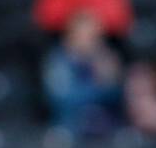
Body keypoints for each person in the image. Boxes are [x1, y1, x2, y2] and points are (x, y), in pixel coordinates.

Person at [42, 9, 123, 138]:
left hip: (106, 127)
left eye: (93, 36)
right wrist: (99, 88)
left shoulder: (107, 59)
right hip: (69, 127)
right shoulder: (59, 60)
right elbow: (62, 98)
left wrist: (109, 78)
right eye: (83, 35)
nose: (88, 41)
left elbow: (117, 97)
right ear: (70, 35)